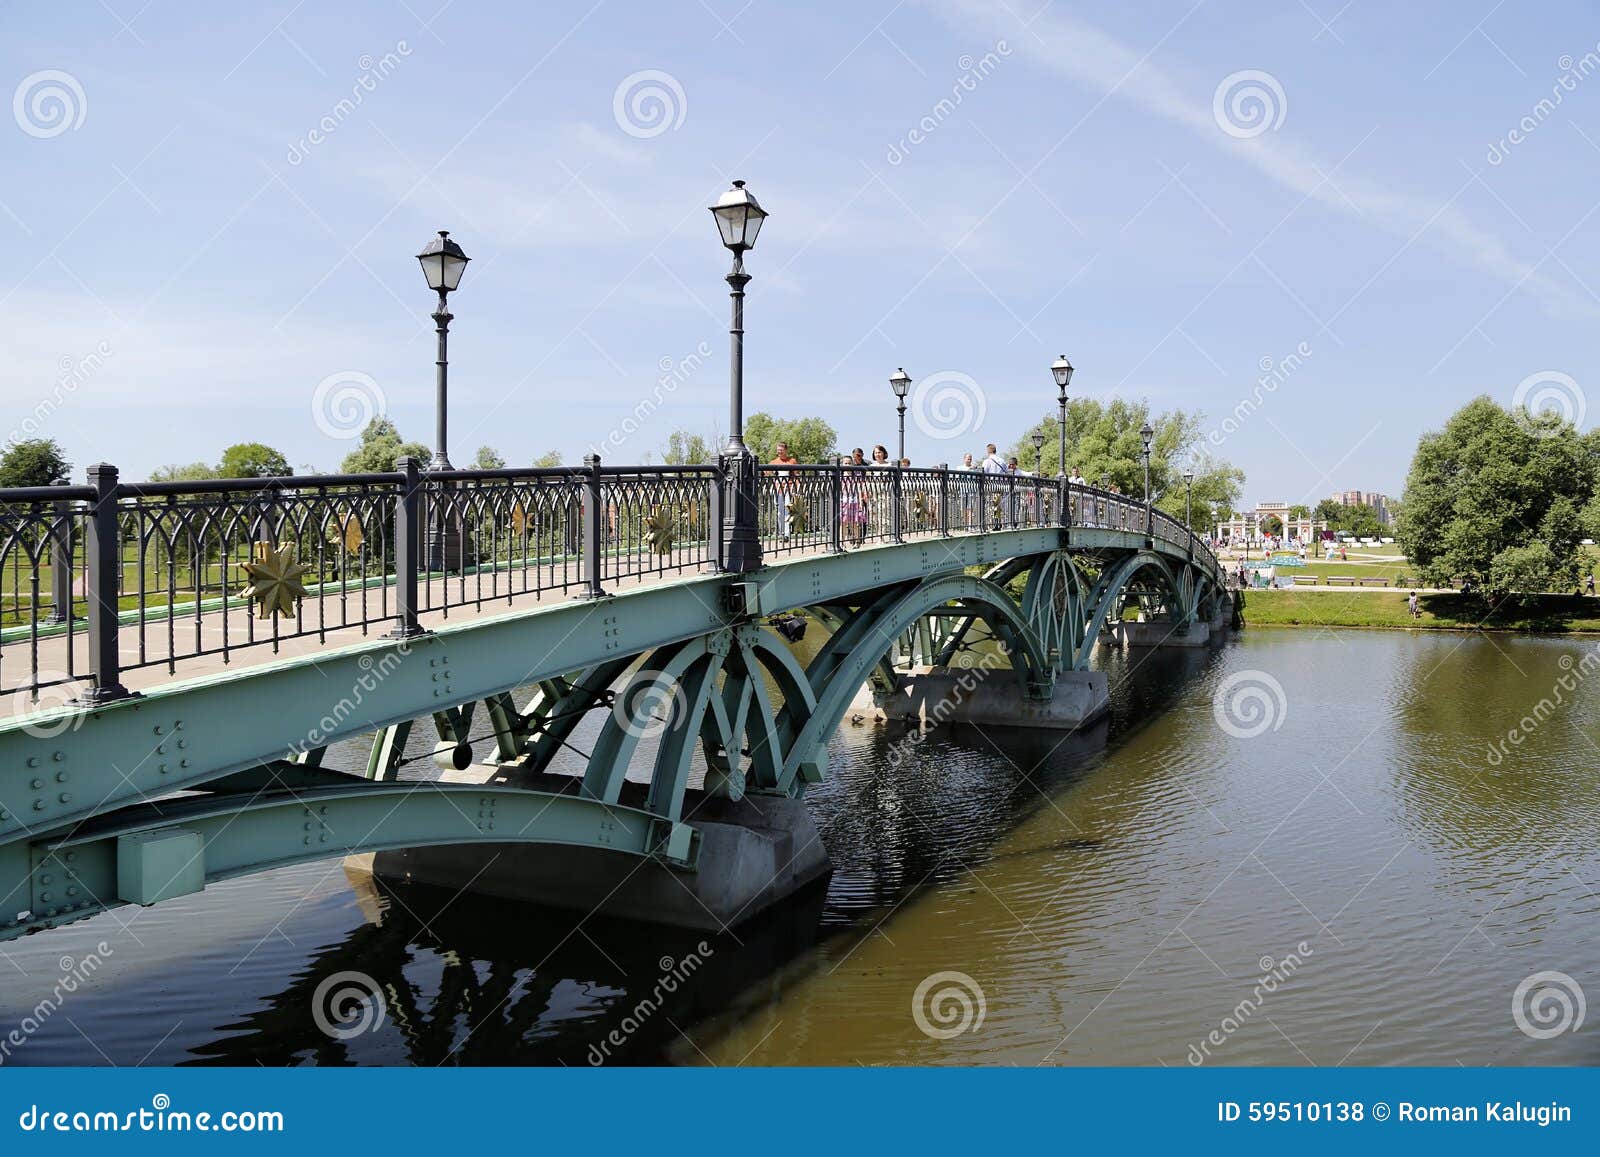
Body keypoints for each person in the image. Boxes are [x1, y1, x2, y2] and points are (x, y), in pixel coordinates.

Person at [769, 441, 799, 539]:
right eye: (778, 450)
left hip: (788, 490)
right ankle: (781, 532)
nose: (779, 452)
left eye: (781, 450)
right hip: (777, 490)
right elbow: (767, 474)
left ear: (786, 450)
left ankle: (786, 534)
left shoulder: (792, 461)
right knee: (779, 512)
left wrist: (797, 488)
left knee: (787, 511)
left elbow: (796, 475)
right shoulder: (773, 462)